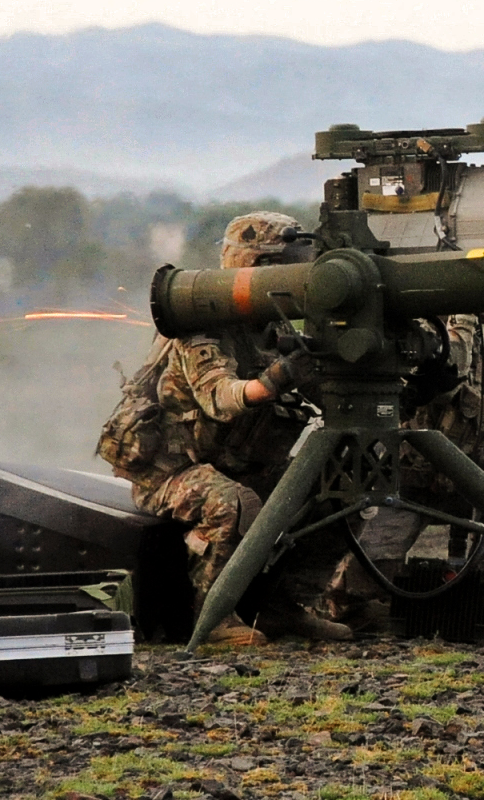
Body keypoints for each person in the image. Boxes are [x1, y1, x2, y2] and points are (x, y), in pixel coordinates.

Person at [97, 211, 351, 646]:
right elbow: (221, 398)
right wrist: (276, 378)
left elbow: (318, 391)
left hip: (239, 462)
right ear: (254, 267)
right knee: (232, 502)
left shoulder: (271, 325)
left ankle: (282, 608)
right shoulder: (199, 324)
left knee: (337, 494)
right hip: (173, 471)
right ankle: (212, 617)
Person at [325, 311, 484, 630]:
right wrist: (464, 317)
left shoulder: (482, 351)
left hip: (461, 480)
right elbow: (447, 378)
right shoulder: (420, 336)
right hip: (405, 479)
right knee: (368, 572)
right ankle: (356, 611)